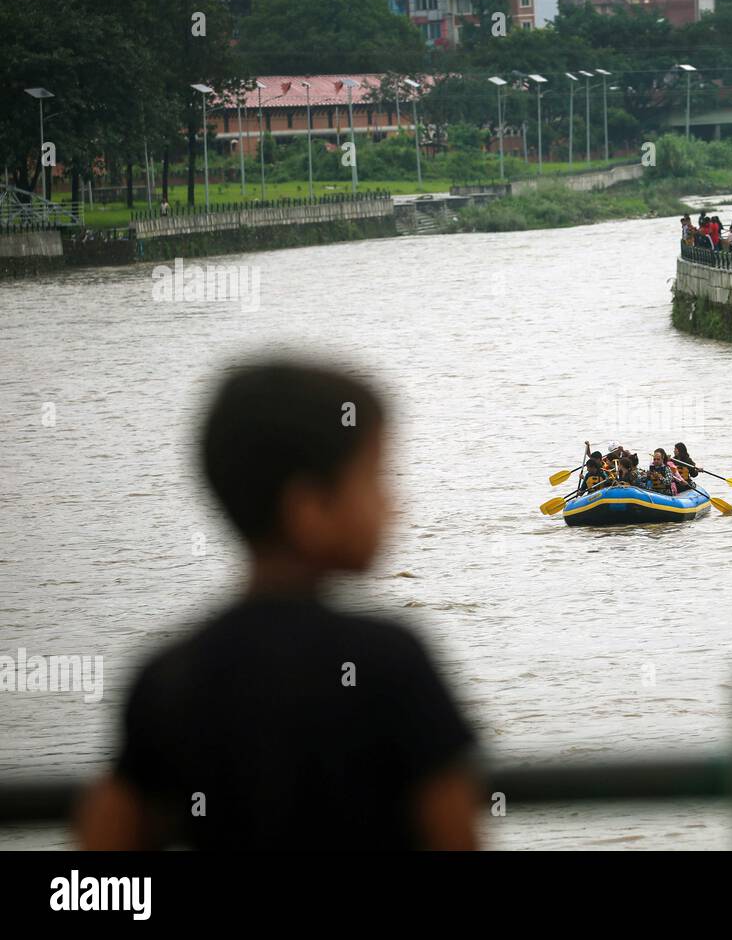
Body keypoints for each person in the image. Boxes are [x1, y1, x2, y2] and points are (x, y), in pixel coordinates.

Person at [77, 361, 479, 850]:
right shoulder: (393, 660)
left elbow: (104, 853)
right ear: (308, 511)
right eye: (375, 480)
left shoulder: (166, 675)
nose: (395, 505)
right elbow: (455, 835)